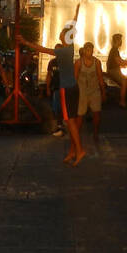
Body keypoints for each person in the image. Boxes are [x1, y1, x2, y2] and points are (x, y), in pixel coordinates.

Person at [19, 25, 84, 165]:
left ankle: (79, 150)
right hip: (71, 88)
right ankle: (73, 151)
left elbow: (43, 49)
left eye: (62, 33)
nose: (59, 34)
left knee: (70, 122)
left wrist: (26, 42)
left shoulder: (64, 51)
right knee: (70, 122)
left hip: (67, 89)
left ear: (66, 36)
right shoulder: (69, 49)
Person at [75, 42, 106, 145]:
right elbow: (75, 78)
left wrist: (103, 92)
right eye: (88, 50)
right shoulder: (78, 63)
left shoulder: (97, 62)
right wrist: (74, 93)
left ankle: (95, 133)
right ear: (84, 50)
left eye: (91, 50)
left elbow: (100, 78)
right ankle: (77, 135)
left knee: (96, 113)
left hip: (94, 91)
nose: (90, 52)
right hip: (82, 91)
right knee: (80, 115)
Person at [105, 33, 127, 109]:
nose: (121, 42)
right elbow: (119, 62)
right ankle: (122, 101)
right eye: (120, 40)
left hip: (114, 69)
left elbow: (120, 60)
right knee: (124, 81)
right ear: (117, 41)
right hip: (112, 70)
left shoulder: (115, 50)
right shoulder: (114, 50)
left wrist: (126, 62)